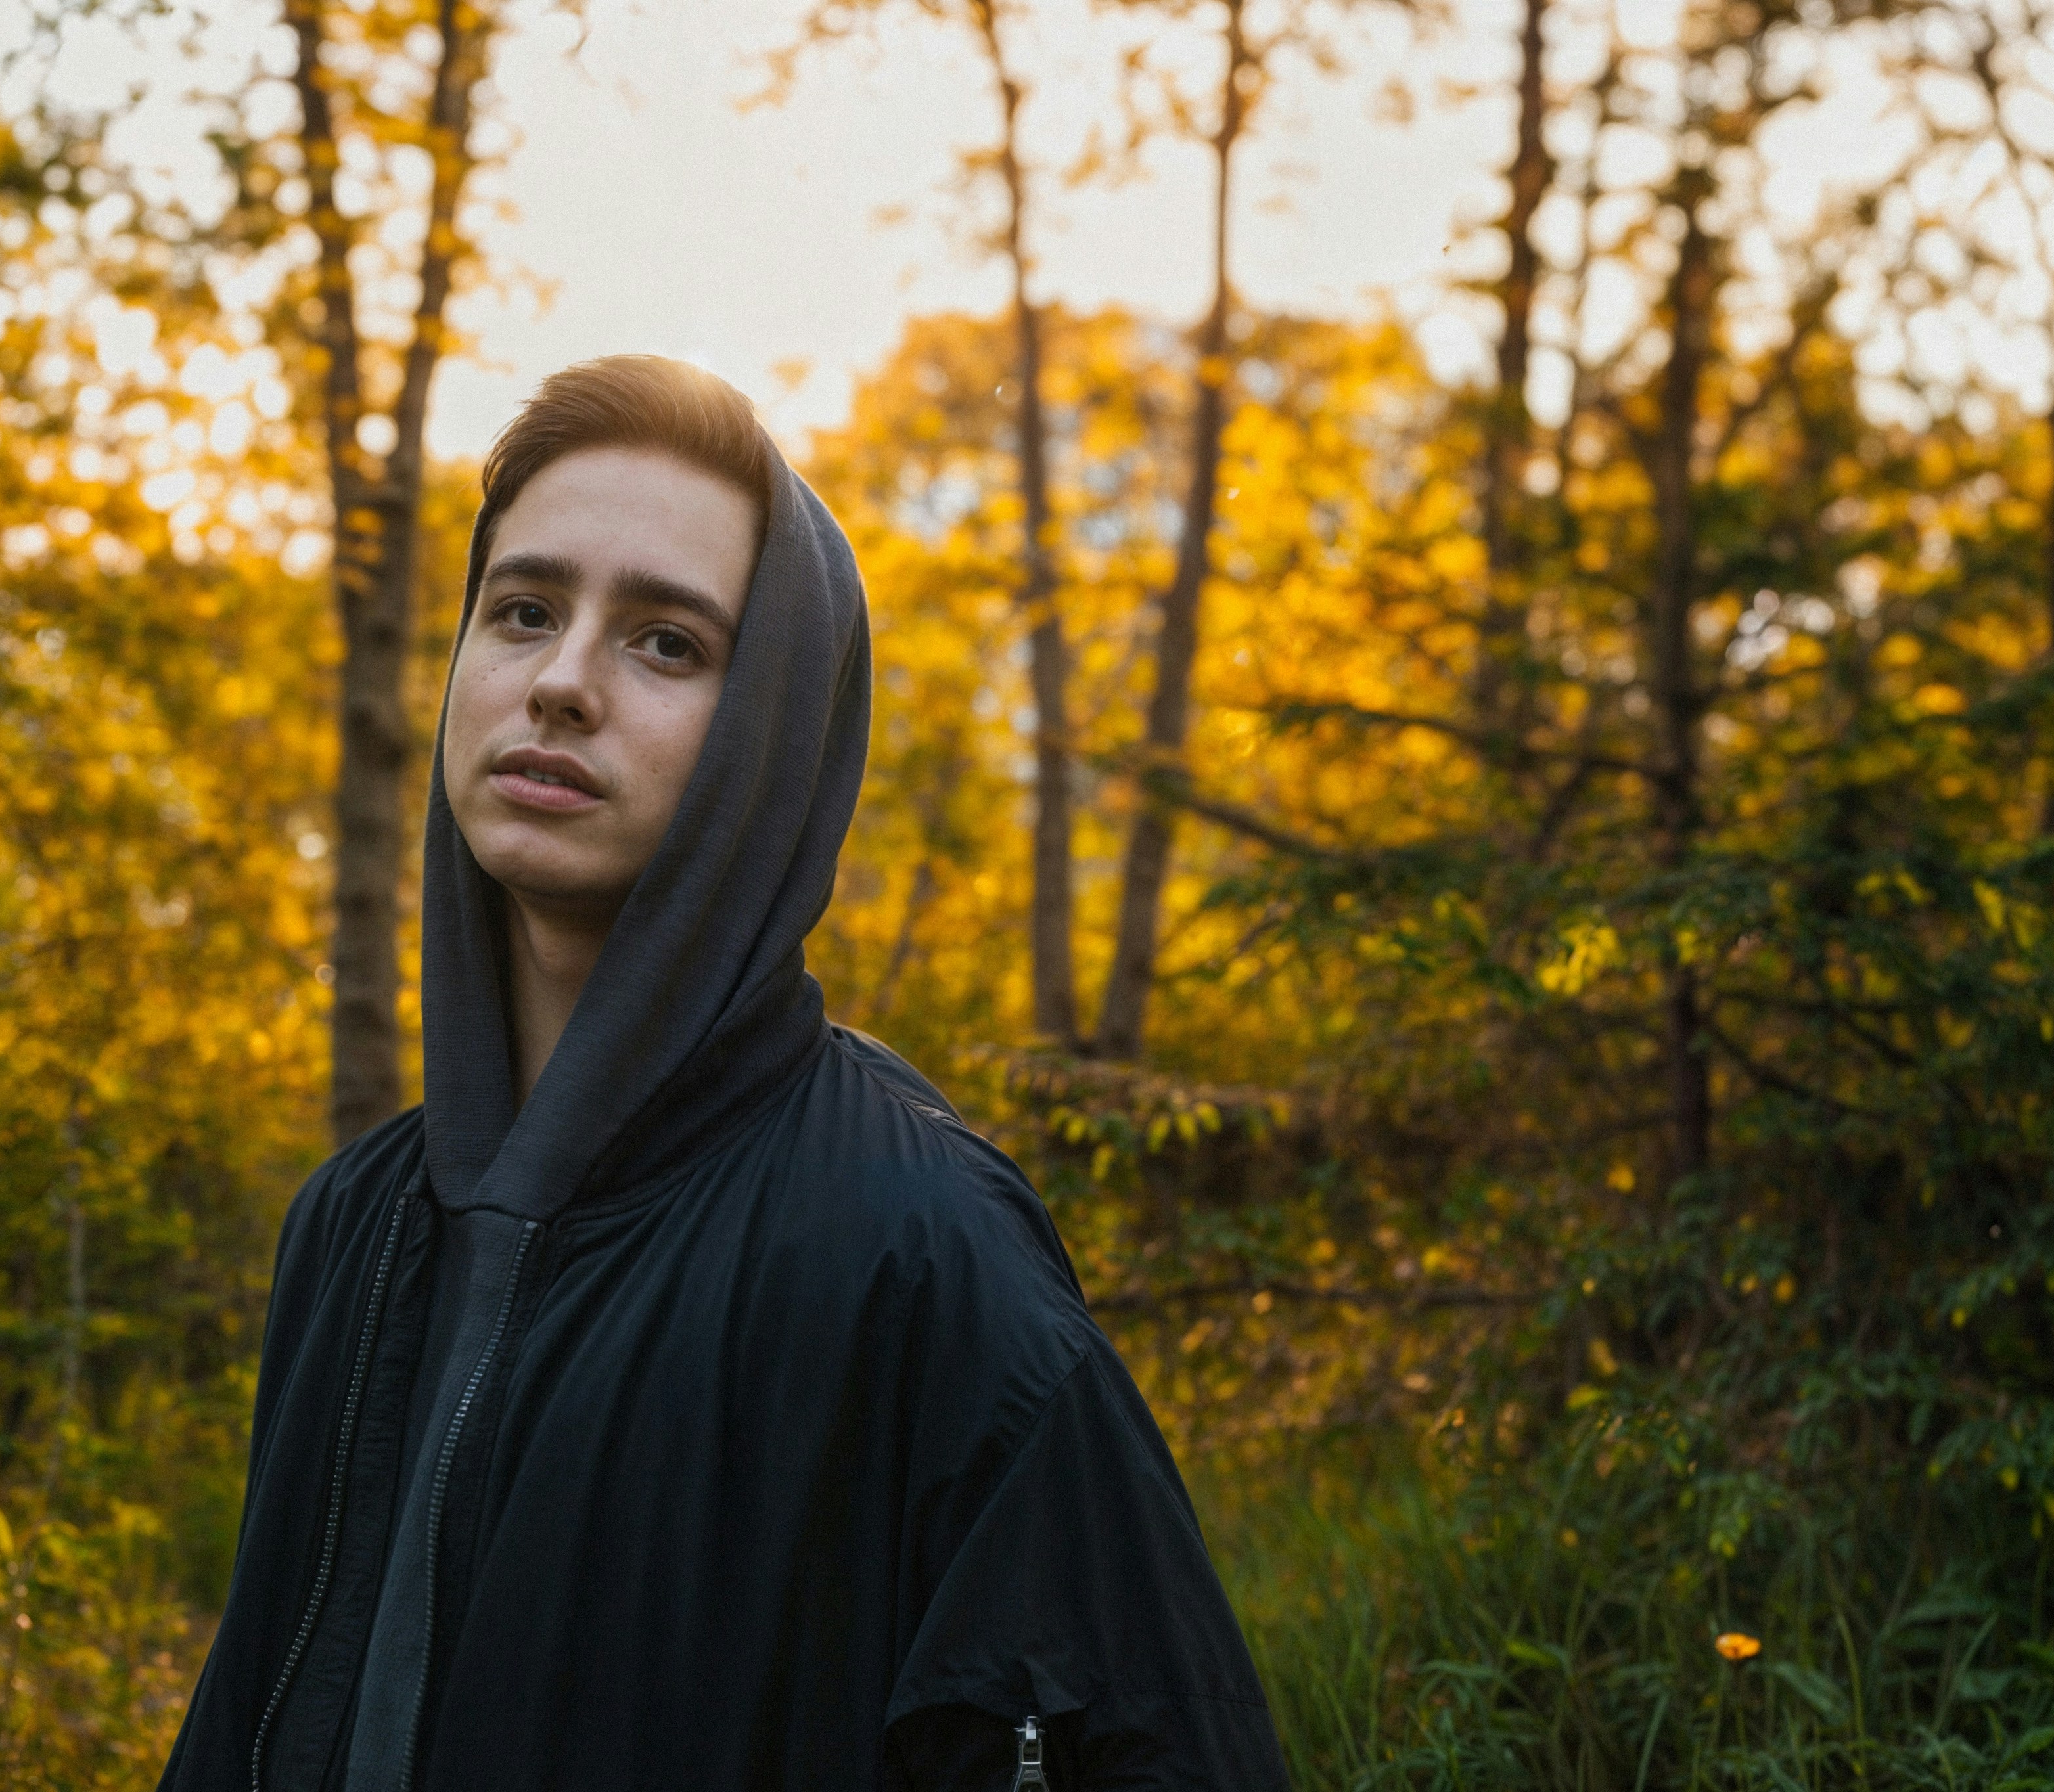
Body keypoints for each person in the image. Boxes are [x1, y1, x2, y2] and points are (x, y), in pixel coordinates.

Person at [158, 356, 1290, 1791]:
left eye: (665, 643)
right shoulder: (351, 1227)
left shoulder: (912, 1249)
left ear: (771, 736)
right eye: (523, 611)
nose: (560, 682)